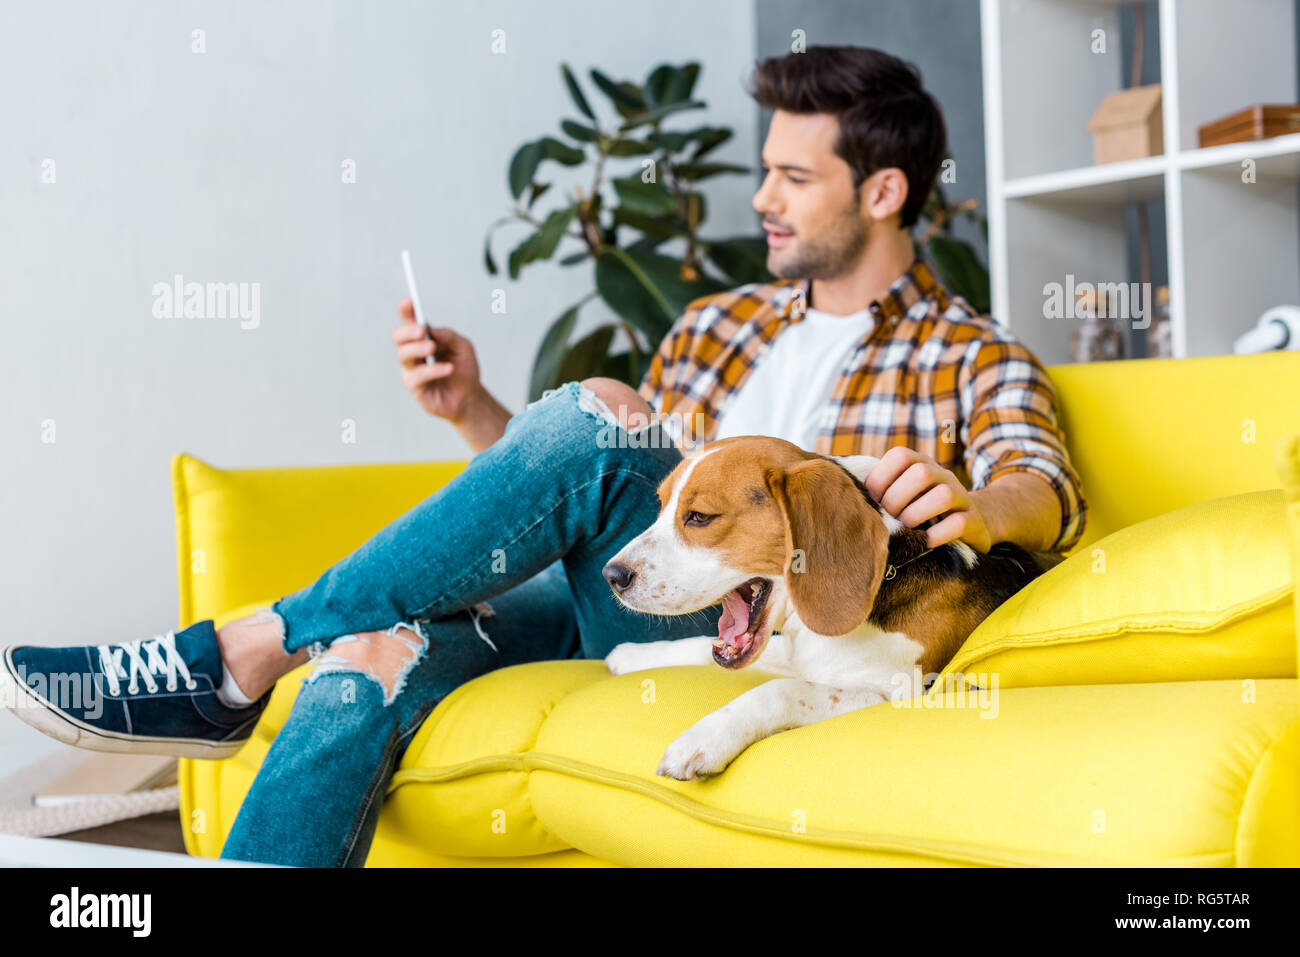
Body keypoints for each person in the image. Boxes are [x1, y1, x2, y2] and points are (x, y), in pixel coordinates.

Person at [0, 45, 1086, 866]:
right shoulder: (719, 325)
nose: (760, 198)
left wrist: (976, 503)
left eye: (793, 178)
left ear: (883, 191)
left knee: (602, 412)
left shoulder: (966, 352)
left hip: (748, 612)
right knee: (367, 656)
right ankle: (279, 652)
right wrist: (478, 413)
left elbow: (1041, 486)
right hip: (613, 592)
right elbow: (609, 508)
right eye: (764, 172)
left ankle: (234, 656)